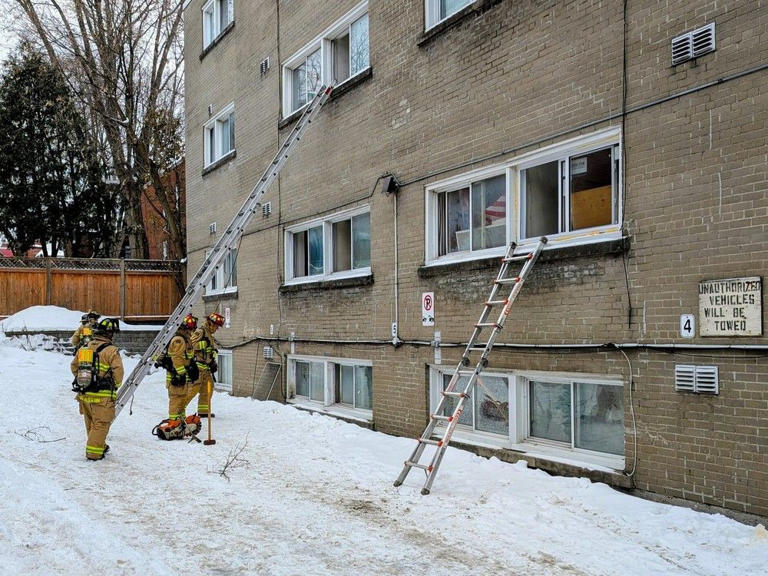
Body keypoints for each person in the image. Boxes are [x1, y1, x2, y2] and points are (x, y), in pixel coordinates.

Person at [70, 317, 123, 461]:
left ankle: (99, 445)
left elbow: (74, 367)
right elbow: (118, 373)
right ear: (110, 334)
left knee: (91, 424)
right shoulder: (111, 350)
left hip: (85, 394)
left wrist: (83, 379)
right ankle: (93, 453)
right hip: (102, 397)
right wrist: (114, 386)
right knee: (100, 425)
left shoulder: (85, 347)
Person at [153, 314, 201, 440]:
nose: (192, 331)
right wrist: (181, 374)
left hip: (181, 377)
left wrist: (191, 367)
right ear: (184, 328)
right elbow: (176, 358)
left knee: (181, 401)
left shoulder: (185, 339)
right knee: (176, 401)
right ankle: (174, 424)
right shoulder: (179, 340)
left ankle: (180, 424)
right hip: (176, 378)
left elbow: (186, 358)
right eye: (190, 329)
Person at [191, 312, 224, 418]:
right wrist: (204, 344)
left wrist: (212, 359)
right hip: (198, 366)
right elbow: (192, 345)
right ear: (210, 323)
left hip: (206, 367)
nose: (216, 329)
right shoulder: (201, 332)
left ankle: (203, 411)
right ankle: (179, 411)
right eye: (216, 326)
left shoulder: (209, 334)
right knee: (193, 390)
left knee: (208, 388)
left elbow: (208, 350)